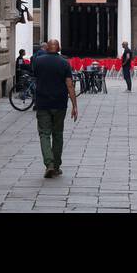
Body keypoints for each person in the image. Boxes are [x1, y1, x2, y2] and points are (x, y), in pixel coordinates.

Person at [31, 38, 77, 177]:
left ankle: (49, 163)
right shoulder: (64, 63)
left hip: (43, 102)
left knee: (44, 134)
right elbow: (69, 84)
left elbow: (36, 77)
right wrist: (74, 105)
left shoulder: (38, 61)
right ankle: (56, 166)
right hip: (59, 103)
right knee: (58, 134)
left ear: (46, 48)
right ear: (59, 48)